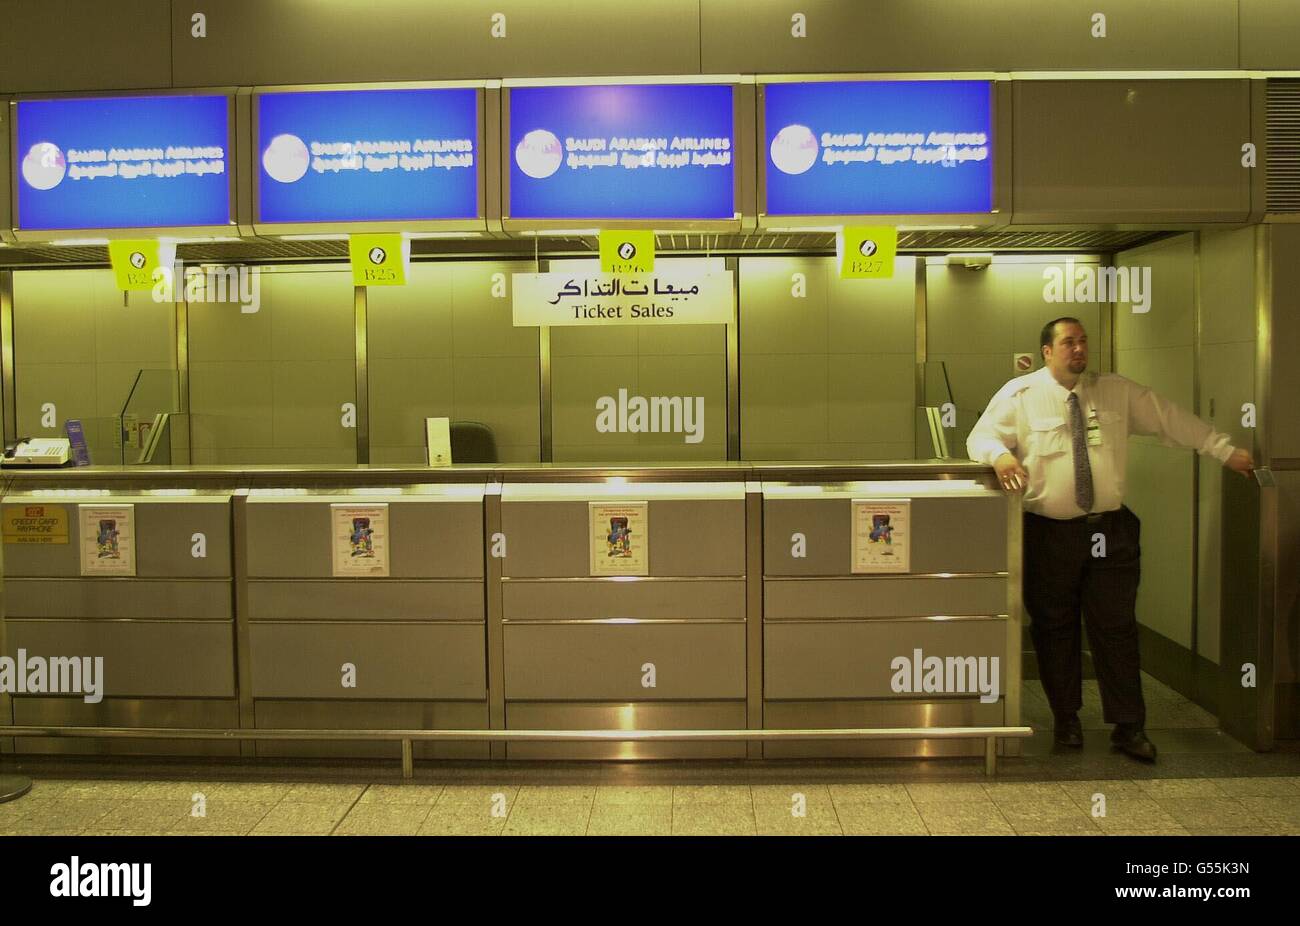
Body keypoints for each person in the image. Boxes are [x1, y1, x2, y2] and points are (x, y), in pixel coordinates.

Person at [966, 317, 1254, 761]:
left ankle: (1128, 726)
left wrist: (1222, 450)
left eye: (1082, 342)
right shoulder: (1020, 394)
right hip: (1047, 532)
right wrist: (1000, 455)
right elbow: (980, 436)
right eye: (1068, 343)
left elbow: (1169, 420)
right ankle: (1066, 721)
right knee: (1054, 629)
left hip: (1110, 530)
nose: (1078, 350)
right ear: (1047, 351)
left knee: (1116, 628)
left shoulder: (1116, 390)